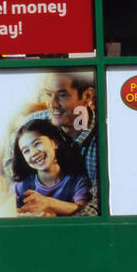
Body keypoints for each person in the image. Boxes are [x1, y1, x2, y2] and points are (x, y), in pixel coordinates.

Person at [38, 71, 100, 216]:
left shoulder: (105, 136)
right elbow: (10, 165)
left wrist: (52, 207)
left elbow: (100, 206)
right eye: (48, 94)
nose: (52, 104)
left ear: (87, 96)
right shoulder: (32, 124)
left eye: (62, 95)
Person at [10, 119, 91, 216]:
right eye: (26, 151)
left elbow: (84, 210)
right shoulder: (20, 187)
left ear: (55, 143)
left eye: (37, 144)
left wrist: (49, 204)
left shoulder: (78, 182)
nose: (33, 153)